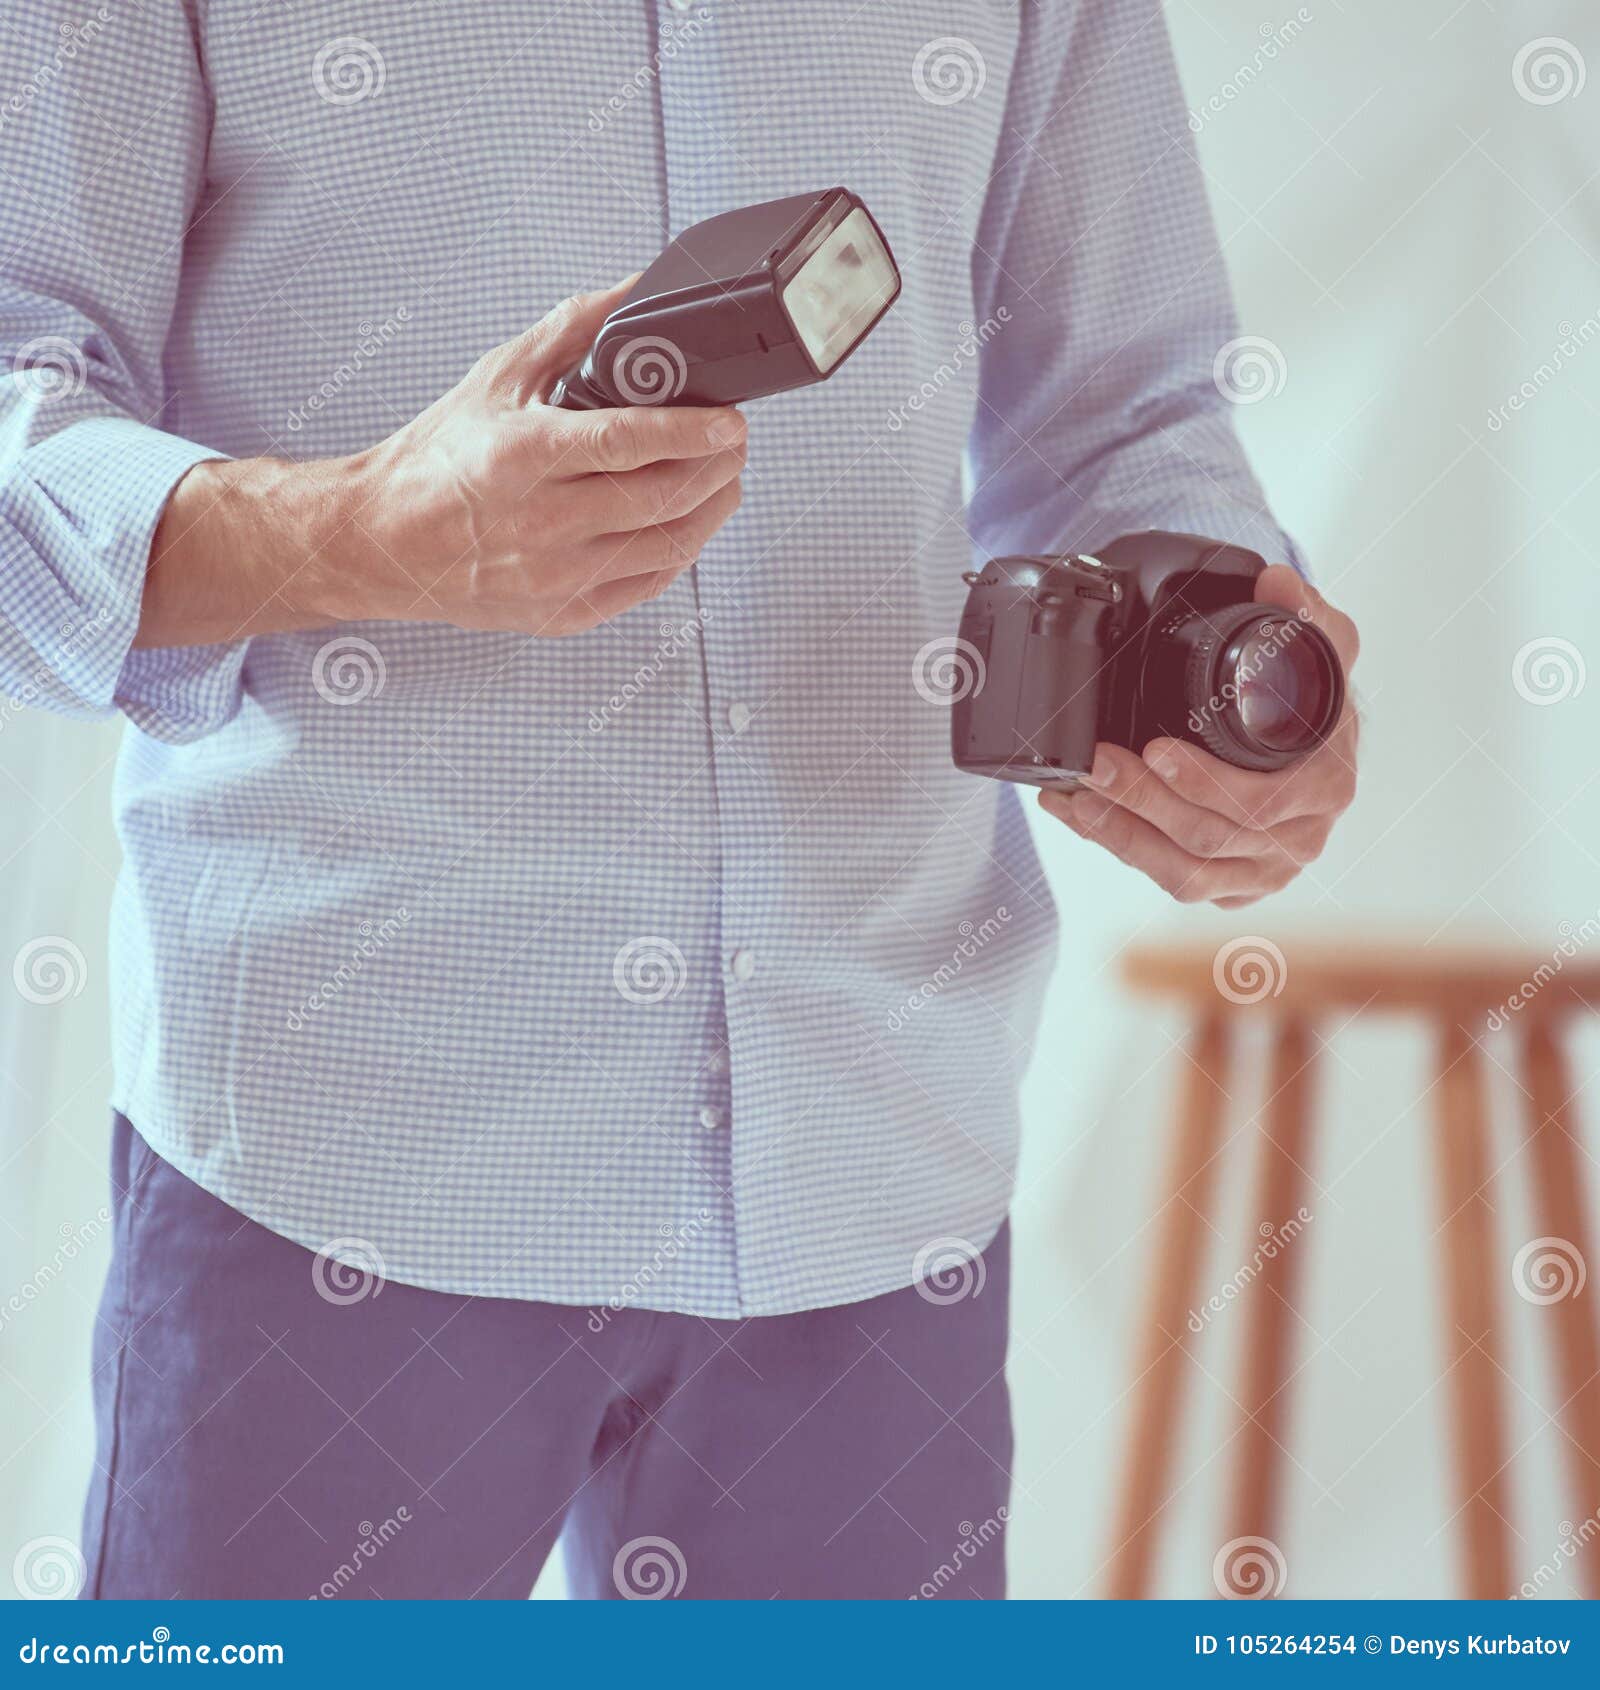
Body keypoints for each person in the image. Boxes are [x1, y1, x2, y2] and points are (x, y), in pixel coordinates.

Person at [0, 1, 1357, 1599]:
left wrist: (1228, 689)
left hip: (876, 1163)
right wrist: (370, 529)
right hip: (348, 1160)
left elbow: (1128, 416)